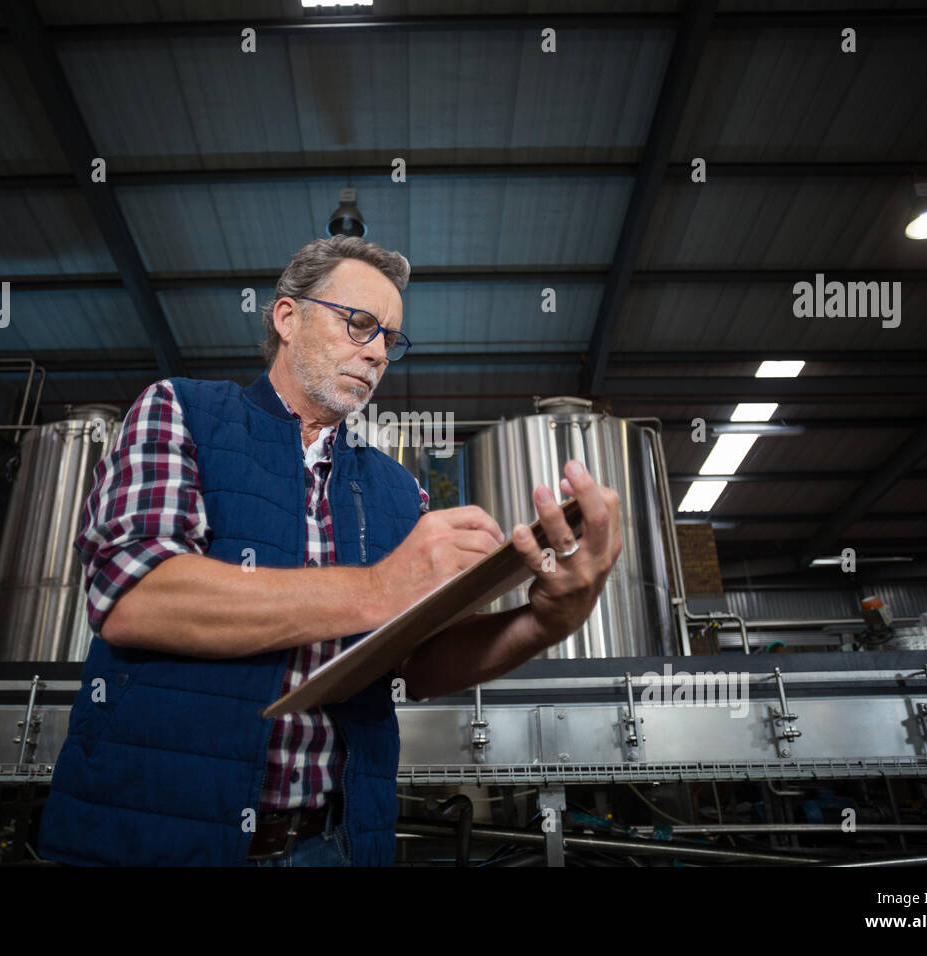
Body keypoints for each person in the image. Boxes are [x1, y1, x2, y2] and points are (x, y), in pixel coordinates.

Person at [38, 235, 624, 866]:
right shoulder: (181, 410)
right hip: (155, 835)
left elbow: (422, 666)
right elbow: (135, 595)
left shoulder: (396, 488)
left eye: (389, 339)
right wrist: (380, 587)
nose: (375, 352)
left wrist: (547, 620)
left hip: (335, 843)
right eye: (360, 324)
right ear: (287, 318)